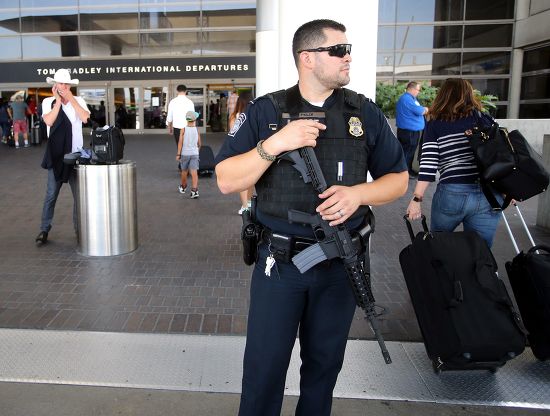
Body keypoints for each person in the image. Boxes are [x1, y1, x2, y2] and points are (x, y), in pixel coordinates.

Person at [215, 19, 408, 416]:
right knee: (264, 371)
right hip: (280, 266)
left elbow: (398, 180)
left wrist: (358, 194)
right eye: (338, 50)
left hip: (341, 264)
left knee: (323, 371)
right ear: (307, 58)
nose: (347, 57)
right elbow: (224, 178)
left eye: (348, 49)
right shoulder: (264, 111)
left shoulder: (363, 113)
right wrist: (274, 145)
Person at [406, 78, 502, 248]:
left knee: (440, 248)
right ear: (469, 95)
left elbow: (429, 165)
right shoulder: (483, 118)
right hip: (488, 194)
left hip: (453, 192)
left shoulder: (436, 123)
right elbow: (502, 154)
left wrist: (416, 199)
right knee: (481, 254)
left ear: (443, 95)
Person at [35, 68, 90, 245]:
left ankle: (78, 230)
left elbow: (85, 118)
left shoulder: (79, 100)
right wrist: (58, 101)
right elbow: (49, 121)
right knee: (51, 195)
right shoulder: (48, 102)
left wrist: (71, 99)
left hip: (75, 155)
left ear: (70, 85)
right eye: (60, 83)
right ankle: (44, 229)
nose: (63, 86)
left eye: (66, 83)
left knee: (79, 197)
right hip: (56, 155)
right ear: (55, 85)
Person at [228, 90, 254, 215]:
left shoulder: (235, 116)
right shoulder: (254, 114)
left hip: (240, 151)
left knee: (243, 179)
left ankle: (245, 205)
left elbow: (232, 135)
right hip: (253, 150)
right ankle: (248, 202)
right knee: (250, 179)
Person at [395, 81, 428, 178]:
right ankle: (404, 173)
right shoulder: (407, 99)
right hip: (409, 132)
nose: (418, 92)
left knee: (408, 152)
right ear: (412, 89)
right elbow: (420, 111)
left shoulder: (409, 99)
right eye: (418, 90)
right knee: (407, 152)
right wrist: (425, 109)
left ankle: (407, 170)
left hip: (409, 131)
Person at [176, 110, 201, 199]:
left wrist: (178, 154)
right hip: (195, 153)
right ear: (194, 120)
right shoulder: (197, 130)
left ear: (187, 120)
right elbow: (199, 143)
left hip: (185, 154)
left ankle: (183, 186)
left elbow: (180, 143)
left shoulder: (183, 130)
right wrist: (196, 150)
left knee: (184, 171)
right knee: (194, 172)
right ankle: (194, 190)